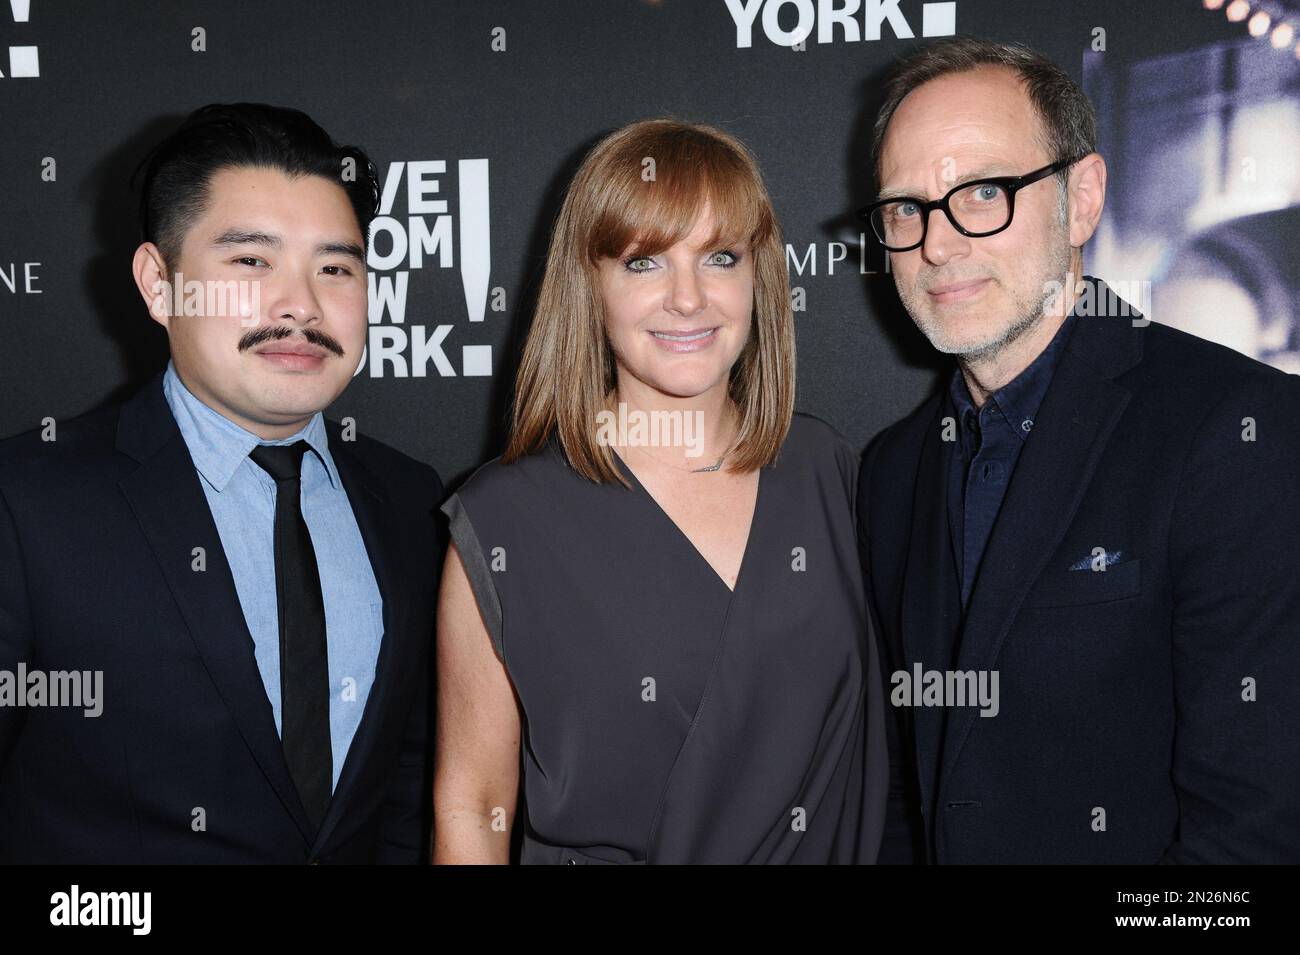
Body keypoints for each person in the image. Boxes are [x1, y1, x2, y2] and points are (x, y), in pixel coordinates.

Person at [856, 37, 1300, 863]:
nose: (937, 244)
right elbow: (905, 791)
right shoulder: (891, 471)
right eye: (906, 208)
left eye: (983, 192)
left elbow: (1254, 832)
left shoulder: (1239, 428)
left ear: (1084, 197)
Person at [434, 118, 887, 864]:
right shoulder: (505, 520)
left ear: (758, 278)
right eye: (644, 262)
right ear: (591, 283)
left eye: (720, 256)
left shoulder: (828, 471)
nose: (688, 298)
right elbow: (471, 806)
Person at [0, 103, 443, 863]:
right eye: (251, 261)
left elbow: (403, 788)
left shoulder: (407, 498)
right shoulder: (26, 503)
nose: (301, 304)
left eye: (336, 267)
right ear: (158, 282)